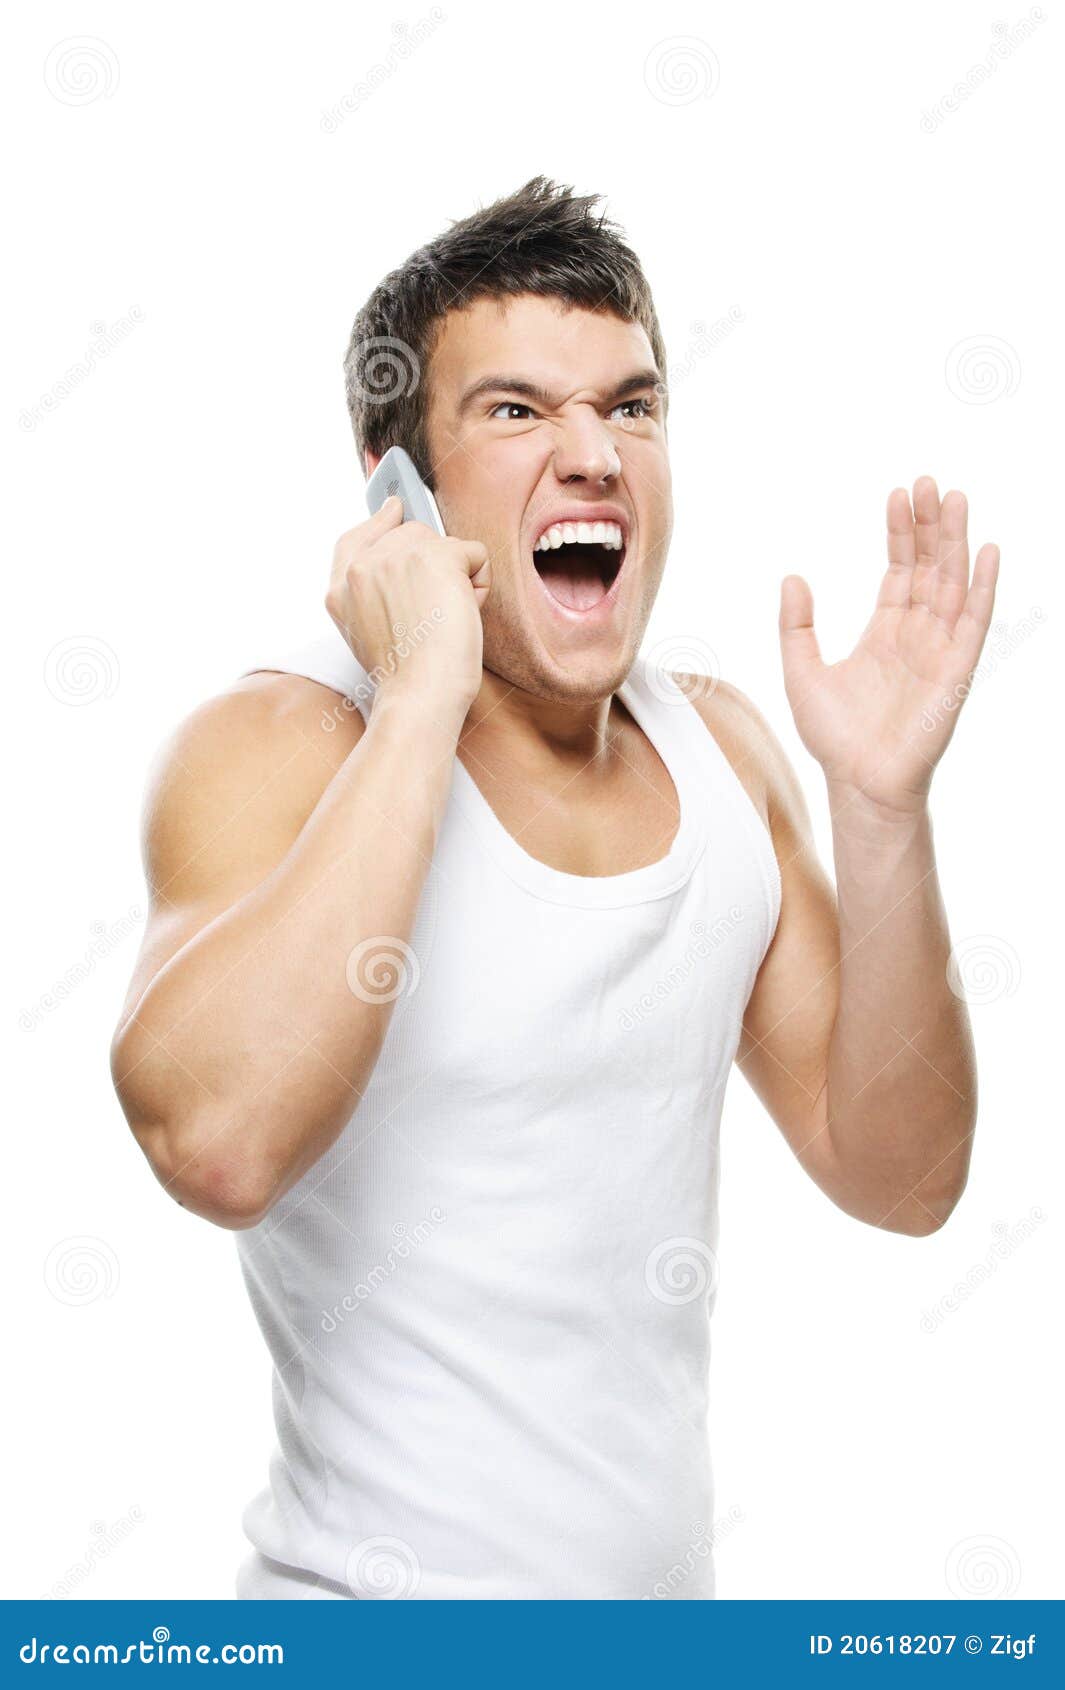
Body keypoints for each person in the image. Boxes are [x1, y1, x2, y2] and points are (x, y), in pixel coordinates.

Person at [109, 177, 1001, 1600]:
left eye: (630, 408)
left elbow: (902, 1178)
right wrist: (418, 698)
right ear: (393, 480)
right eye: (516, 411)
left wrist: (881, 809)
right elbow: (215, 1147)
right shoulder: (280, 745)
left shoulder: (723, 759)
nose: (592, 453)